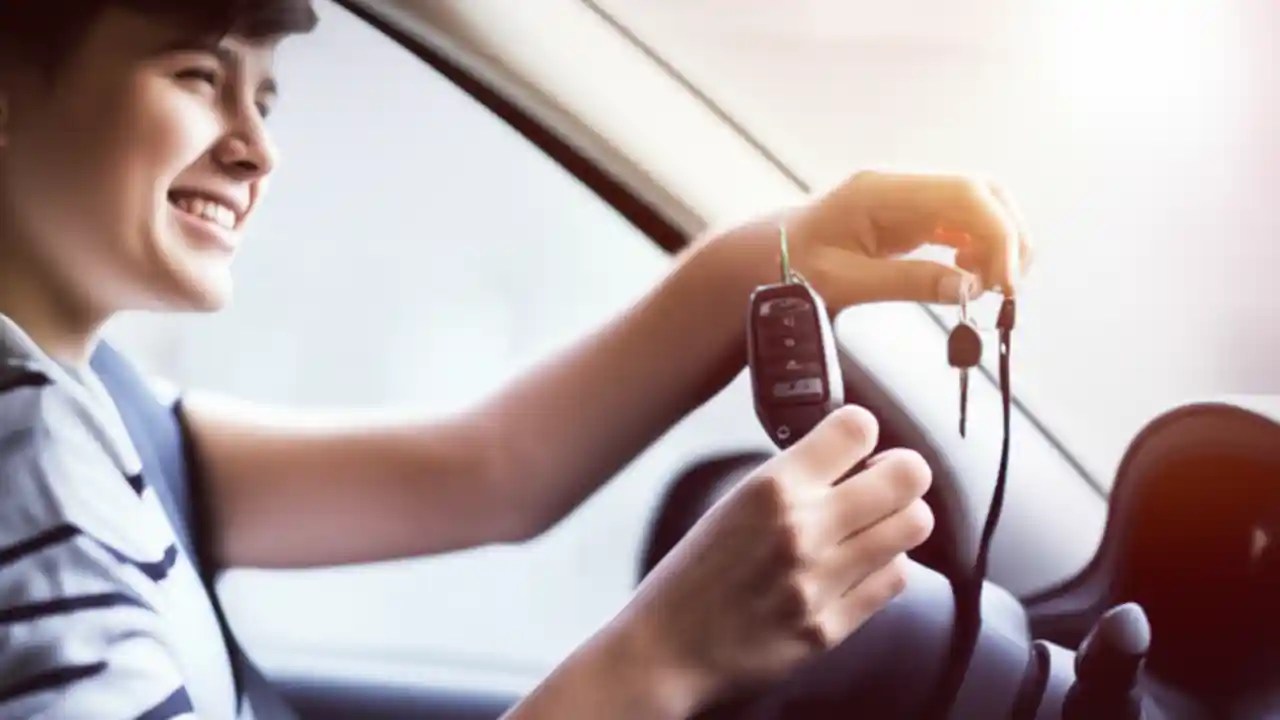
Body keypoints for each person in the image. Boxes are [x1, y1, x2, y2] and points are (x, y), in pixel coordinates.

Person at [0, 1, 1032, 718]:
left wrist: (772, 256)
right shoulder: (26, 491)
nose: (255, 149)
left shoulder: (88, 408)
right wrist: (666, 656)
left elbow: (483, 473)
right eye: (196, 76)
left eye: (262, 99)